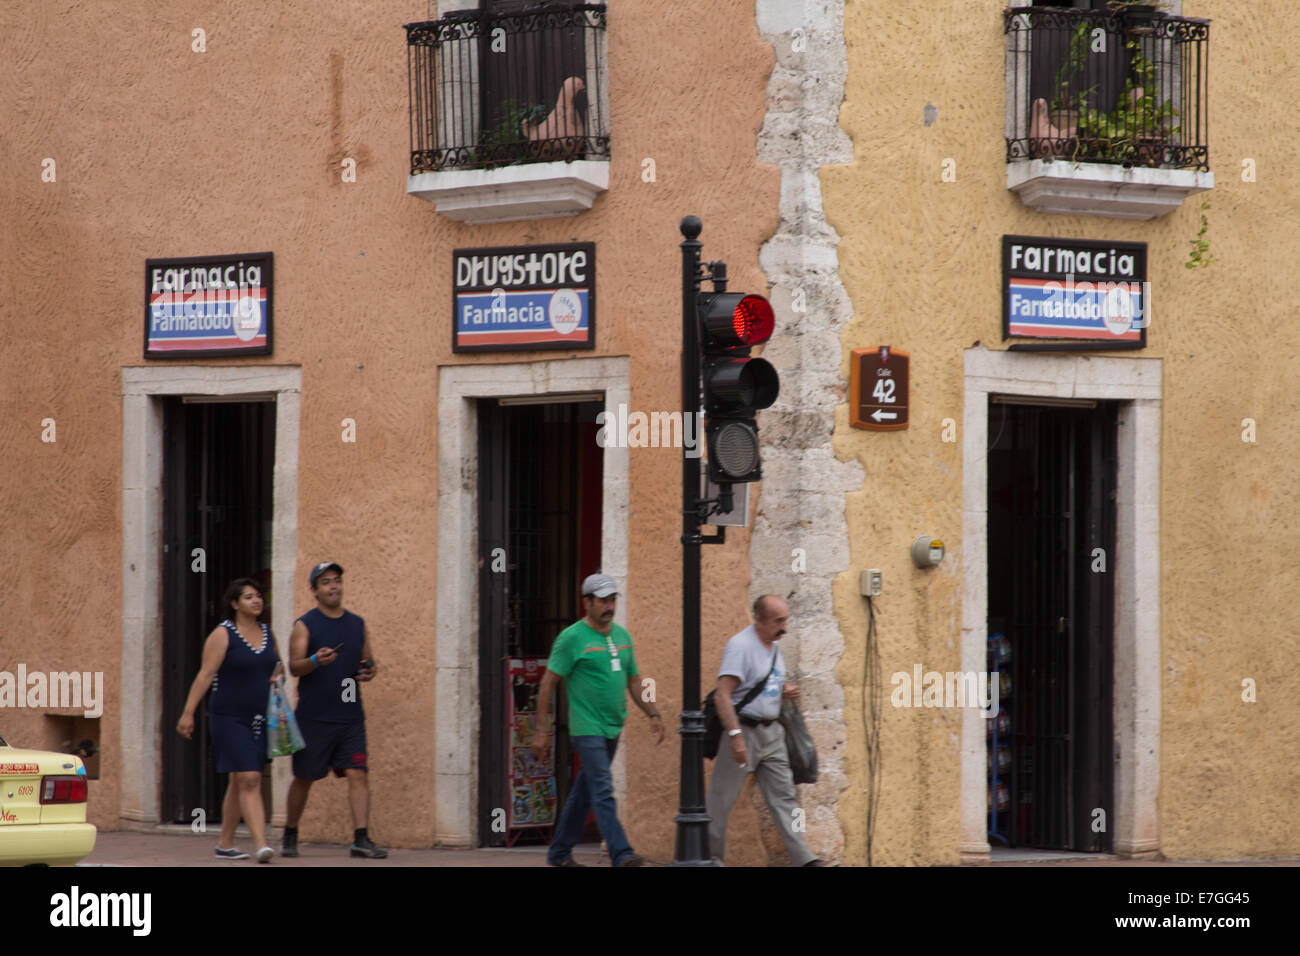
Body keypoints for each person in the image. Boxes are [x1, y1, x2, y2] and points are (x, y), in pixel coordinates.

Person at [531, 573, 662, 867]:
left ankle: (559, 854)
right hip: (586, 727)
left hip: (613, 726)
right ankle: (622, 853)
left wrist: (653, 712)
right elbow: (547, 683)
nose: (610, 606)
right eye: (603, 601)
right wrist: (541, 731)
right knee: (602, 788)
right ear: (587, 602)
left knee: (584, 794)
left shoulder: (622, 637)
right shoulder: (571, 638)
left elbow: (636, 680)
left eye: (613, 600)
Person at [706, 594, 822, 866]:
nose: (784, 627)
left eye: (785, 620)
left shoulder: (774, 645)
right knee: (721, 799)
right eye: (778, 621)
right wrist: (735, 738)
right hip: (743, 731)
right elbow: (723, 695)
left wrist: (782, 690)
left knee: (785, 798)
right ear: (759, 619)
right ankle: (710, 859)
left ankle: (804, 858)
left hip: (773, 734)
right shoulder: (740, 646)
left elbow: (758, 682)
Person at [281, 561, 387, 859]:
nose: (333, 586)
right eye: (326, 582)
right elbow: (294, 666)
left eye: (337, 580)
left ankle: (361, 839)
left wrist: (369, 671)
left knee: (358, 774)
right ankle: (290, 833)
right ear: (314, 590)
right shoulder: (305, 624)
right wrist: (315, 660)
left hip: (351, 717)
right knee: (305, 777)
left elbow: (368, 661)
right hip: (314, 716)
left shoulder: (357, 624)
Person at [177, 576, 283, 862]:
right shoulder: (223, 634)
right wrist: (188, 713)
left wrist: (277, 675)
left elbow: (276, 665)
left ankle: (225, 843)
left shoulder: (266, 632)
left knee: (240, 780)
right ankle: (261, 842)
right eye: (248, 597)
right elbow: (205, 674)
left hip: (260, 718)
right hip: (229, 717)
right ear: (235, 603)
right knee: (250, 777)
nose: (256, 600)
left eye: (258, 595)